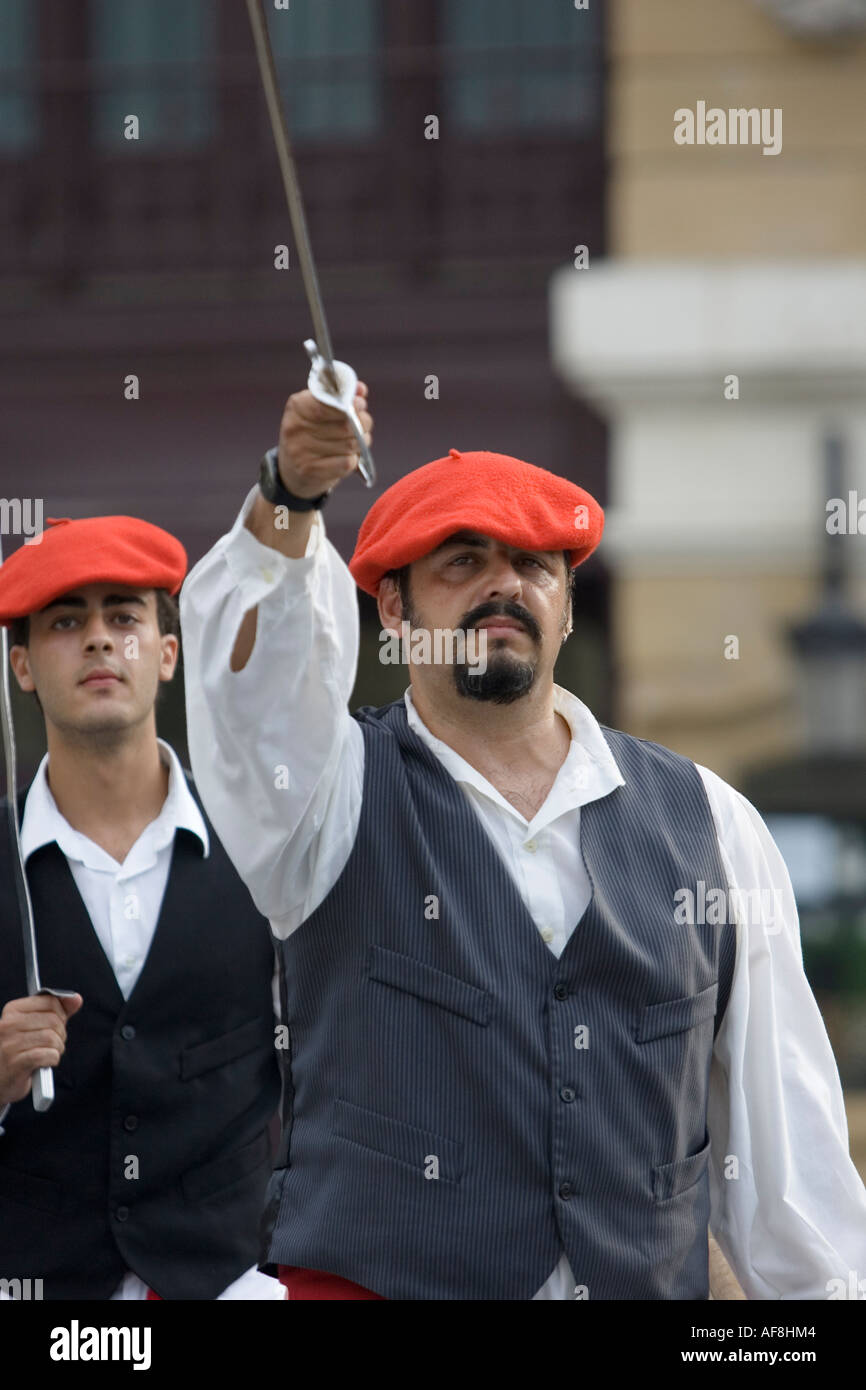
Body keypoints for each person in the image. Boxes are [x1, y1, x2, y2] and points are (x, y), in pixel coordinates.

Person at [179, 383, 866, 1300]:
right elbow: (251, 693)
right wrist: (292, 496)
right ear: (393, 611)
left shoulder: (711, 823)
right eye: (462, 562)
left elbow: (788, 1160)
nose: (504, 583)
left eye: (535, 564)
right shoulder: (327, 798)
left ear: (570, 610)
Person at [0, 515, 284, 1300]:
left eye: (123, 616)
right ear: (22, 666)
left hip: (233, 1282)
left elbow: (330, 1072)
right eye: (65, 621)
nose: (97, 639)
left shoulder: (262, 844)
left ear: (165, 655)